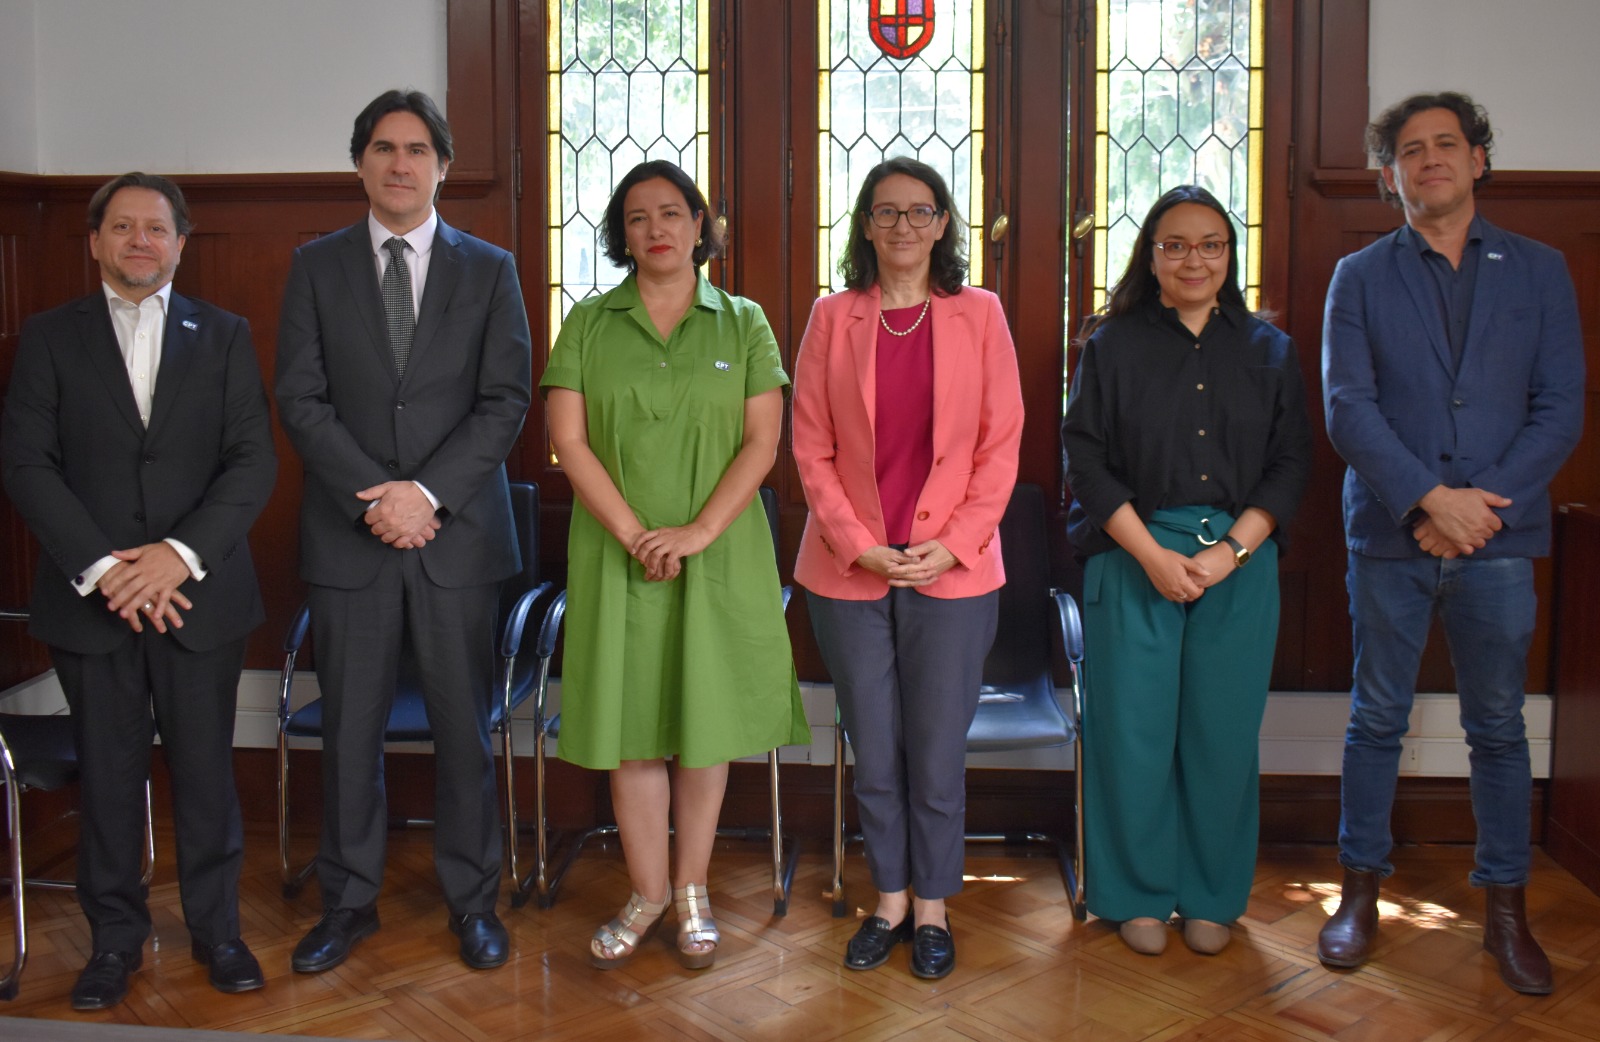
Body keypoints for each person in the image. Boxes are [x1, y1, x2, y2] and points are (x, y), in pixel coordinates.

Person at [1319, 92, 1583, 995]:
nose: (1428, 159)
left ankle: (1505, 911)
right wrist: (1430, 500)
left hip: (1498, 542)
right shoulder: (1357, 275)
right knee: (1376, 717)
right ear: (1388, 174)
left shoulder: (1541, 270)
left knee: (1499, 728)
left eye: (1446, 145)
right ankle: (1358, 893)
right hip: (1391, 537)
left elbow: (1560, 409)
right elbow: (1347, 408)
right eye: (1408, 149)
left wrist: (1480, 510)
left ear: (1478, 160)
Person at [1, 173, 276, 1008]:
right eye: (122, 227)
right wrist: (110, 569)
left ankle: (217, 934)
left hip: (200, 598)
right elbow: (26, 464)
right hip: (93, 604)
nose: (139, 242)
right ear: (95, 242)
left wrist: (175, 557)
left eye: (156, 228)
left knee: (205, 778)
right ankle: (113, 945)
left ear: (180, 242)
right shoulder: (50, 338)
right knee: (111, 782)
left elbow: (251, 463)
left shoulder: (224, 335)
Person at [275, 90, 532, 972]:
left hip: (454, 539)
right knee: (350, 729)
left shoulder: (490, 268)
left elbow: (506, 401)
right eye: (383, 148)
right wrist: (374, 495)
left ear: (442, 166)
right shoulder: (315, 266)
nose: (399, 163)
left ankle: (473, 902)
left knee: (463, 725)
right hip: (349, 539)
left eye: (417, 149)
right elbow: (299, 399)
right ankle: (348, 904)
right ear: (360, 163)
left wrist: (426, 495)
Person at [541, 159, 809, 972]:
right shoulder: (588, 322)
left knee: (705, 730)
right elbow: (570, 441)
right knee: (631, 736)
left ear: (701, 224)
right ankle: (647, 890)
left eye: (670, 213)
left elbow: (764, 444)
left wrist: (693, 532)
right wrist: (634, 533)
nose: (655, 229)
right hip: (615, 554)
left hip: (718, 553)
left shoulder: (745, 323)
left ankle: (692, 888)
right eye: (636, 219)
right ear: (622, 238)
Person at [1062, 184, 1311, 956]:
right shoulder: (1110, 344)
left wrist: (1230, 551)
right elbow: (1086, 458)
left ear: (1230, 255)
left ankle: (1210, 894)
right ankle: (1134, 893)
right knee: (1131, 736)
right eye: (1175, 244)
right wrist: (1151, 554)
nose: (1193, 259)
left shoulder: (1270, 350)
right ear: (1151, 255)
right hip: (1135, 551)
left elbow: (1291, 460)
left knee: (1222, 736)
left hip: (1238, 559)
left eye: (1211, 244)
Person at [792, 157, 1023, 980]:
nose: (902, 228)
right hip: (849, 569)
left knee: (934, 751)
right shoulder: (832, 317)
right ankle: (888, 898)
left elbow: (1000, 447)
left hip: (952, 572)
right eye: (885, 213)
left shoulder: (981, 315)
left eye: (919, 212)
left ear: (943, 224)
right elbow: (811, 448)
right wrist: (856, 540)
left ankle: (934, 907)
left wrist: (953, 543)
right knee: (876, 748)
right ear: (864, 225)